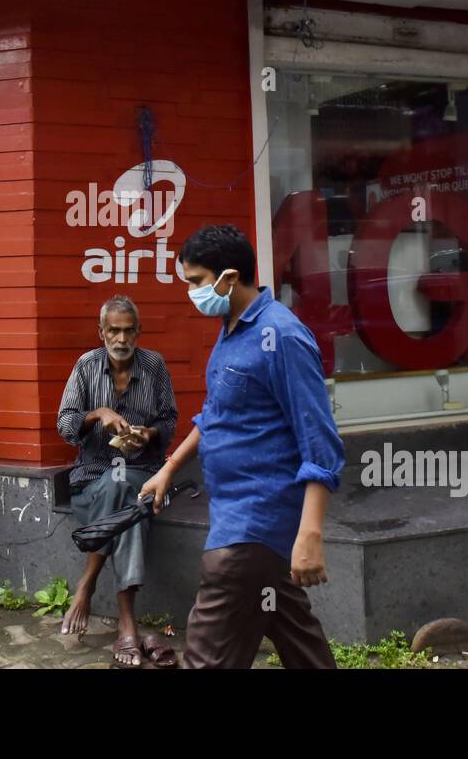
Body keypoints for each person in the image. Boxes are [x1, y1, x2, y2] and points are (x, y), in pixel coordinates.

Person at [141, 224, 344, 669]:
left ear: (229, 278)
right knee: (300, 643)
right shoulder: (232, 328)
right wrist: (170, 467)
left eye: (196, 281)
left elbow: (320, 441)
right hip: (247, 524)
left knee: (207, 659)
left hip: (253, 525)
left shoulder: (282, 338)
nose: (191, 292)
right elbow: (218, 415)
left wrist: (310, 534)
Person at [56, 295, 178, 667]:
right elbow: (64, 425)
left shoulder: (154, 365)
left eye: (128, 330)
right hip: (90, 481)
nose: (121, 338)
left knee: (126, 487)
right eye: (114, 330)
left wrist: (150, 434)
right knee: (124, 497)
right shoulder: (86, 367)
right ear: (101, 332)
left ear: (138, 332)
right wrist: (98, 414)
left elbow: (170, 422)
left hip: (143, 473)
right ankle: (127, 623)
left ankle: (87, 585)